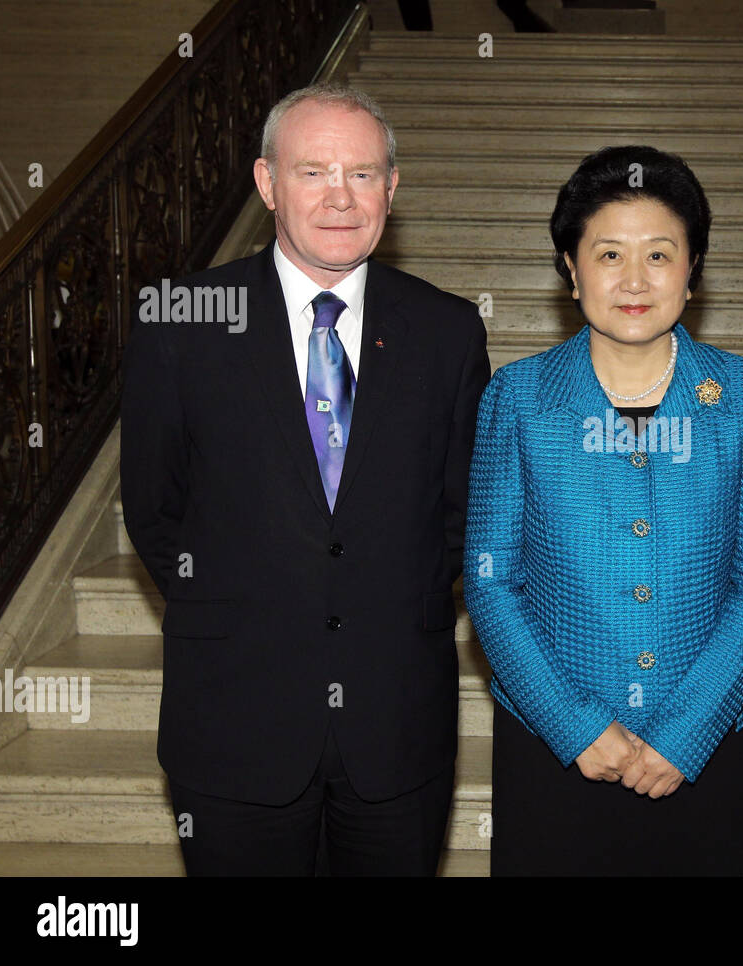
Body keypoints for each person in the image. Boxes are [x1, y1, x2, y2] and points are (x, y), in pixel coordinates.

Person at [121, 84, 490, 875]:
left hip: (395, 719)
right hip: (232, 713)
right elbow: (155, 509)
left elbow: (462, 511)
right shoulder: (179, 321)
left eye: (362, 174)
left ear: (392, 189)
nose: (339, 196)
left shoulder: (448, 329)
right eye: (313, 171)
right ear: (266, 184)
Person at [464, 145, 743, 876]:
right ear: (572, 270)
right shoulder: (518, 399)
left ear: (693, 269)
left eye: (660, 255)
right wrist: (573, 723)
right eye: (609, 254)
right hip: (552, 747)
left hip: (698, 750)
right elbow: (490, 581)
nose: (635, 280)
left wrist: (688, 731)